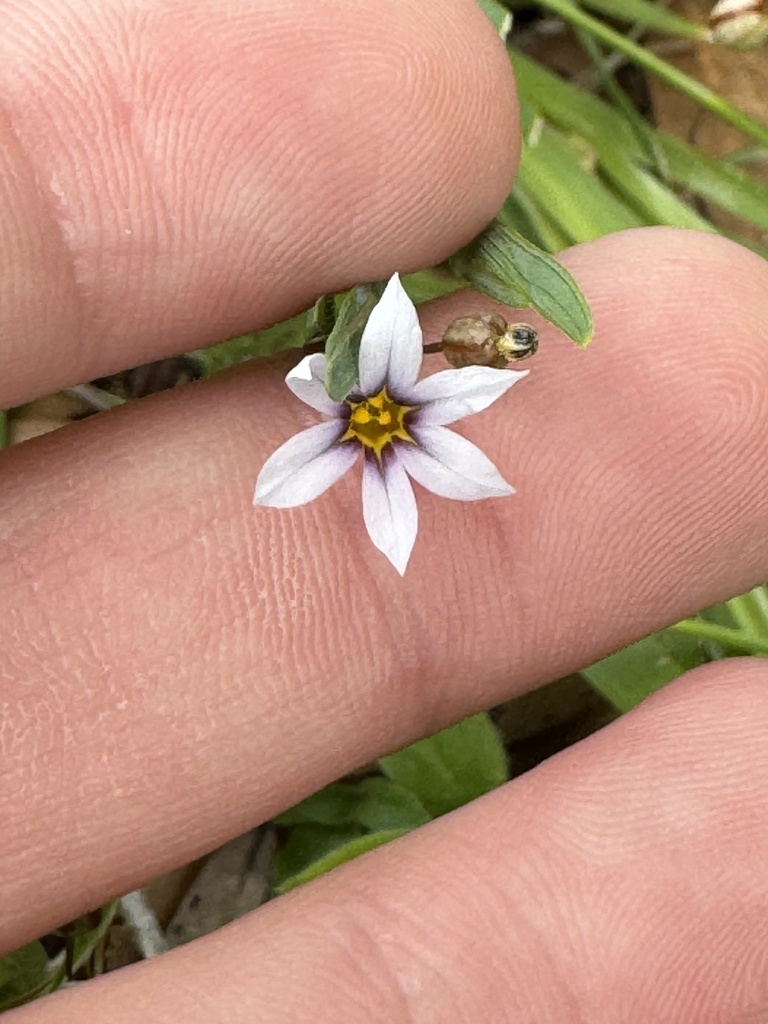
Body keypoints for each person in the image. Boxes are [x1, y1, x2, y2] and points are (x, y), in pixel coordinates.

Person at [2, 0, 767, 1020]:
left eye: (373, 415)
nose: (370, 419)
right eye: (367, 413)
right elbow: (345, 387)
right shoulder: (356, 405)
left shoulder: (398, 409)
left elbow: (378, 394)